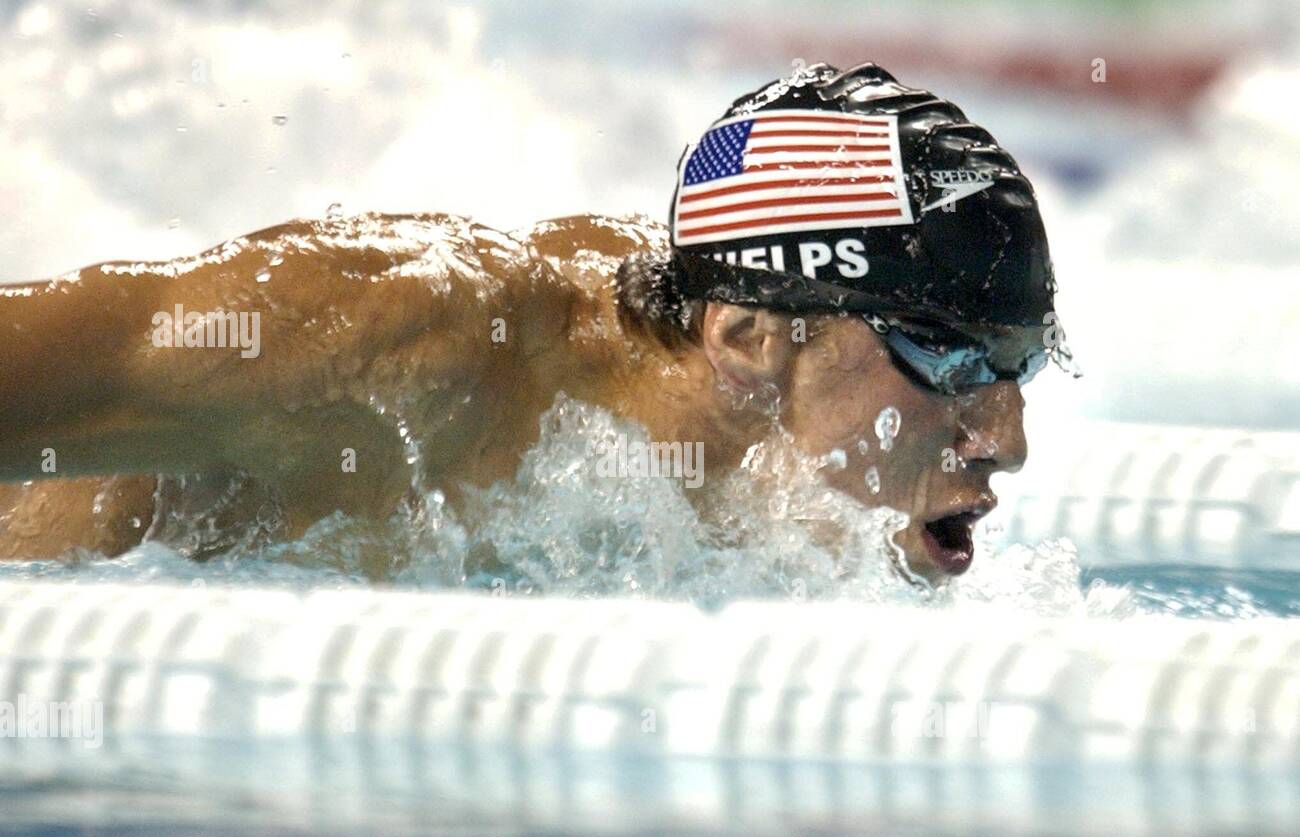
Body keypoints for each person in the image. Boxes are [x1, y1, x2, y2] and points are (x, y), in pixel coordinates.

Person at [0, 62, 1065, 583]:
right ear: (745, 338)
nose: (1003, 437)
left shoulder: (767, 450)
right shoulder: (400, 340)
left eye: (1016, 363)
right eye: (946, 355)